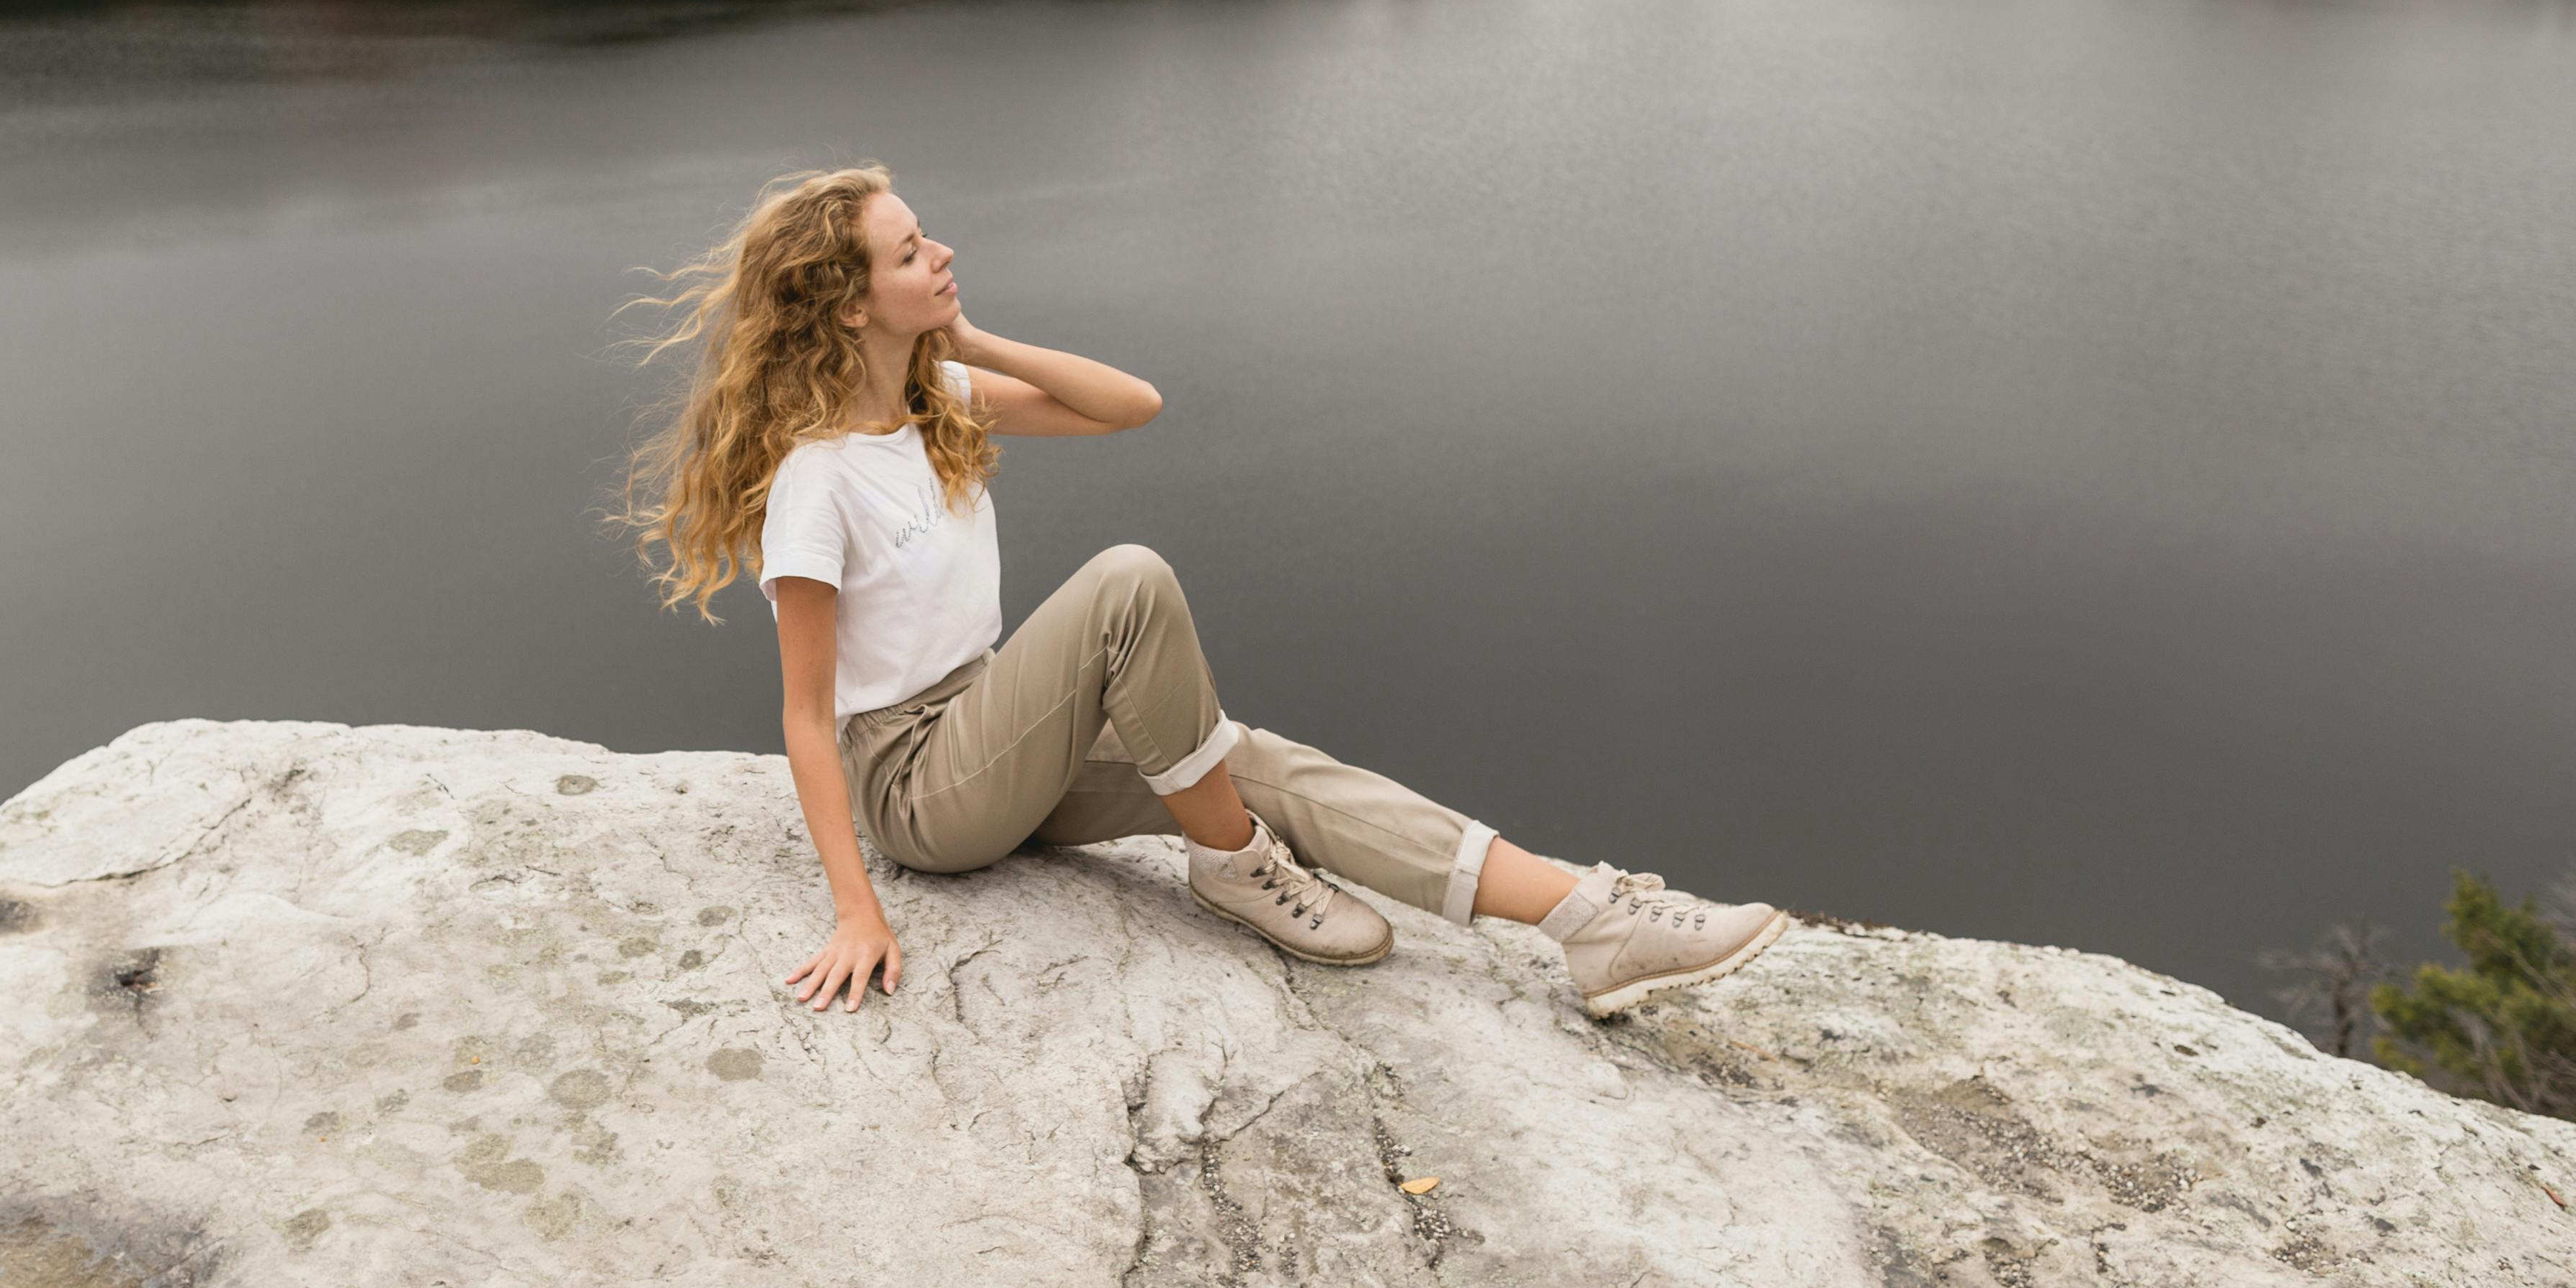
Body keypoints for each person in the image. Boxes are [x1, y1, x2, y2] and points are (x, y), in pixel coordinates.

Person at [625, 162, 1786, 1015]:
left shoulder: (939, 405)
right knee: (1128, 582)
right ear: (847, 304)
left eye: (928, 237)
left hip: (996, 732)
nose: (941, 255)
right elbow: (804, 720)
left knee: (1256, 763)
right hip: (923, 788)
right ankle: (1234, 869)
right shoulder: (814, 483)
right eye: (912, 254)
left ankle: (1590, 920)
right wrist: (855, 907)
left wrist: (966, 335)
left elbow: (1131, 405)